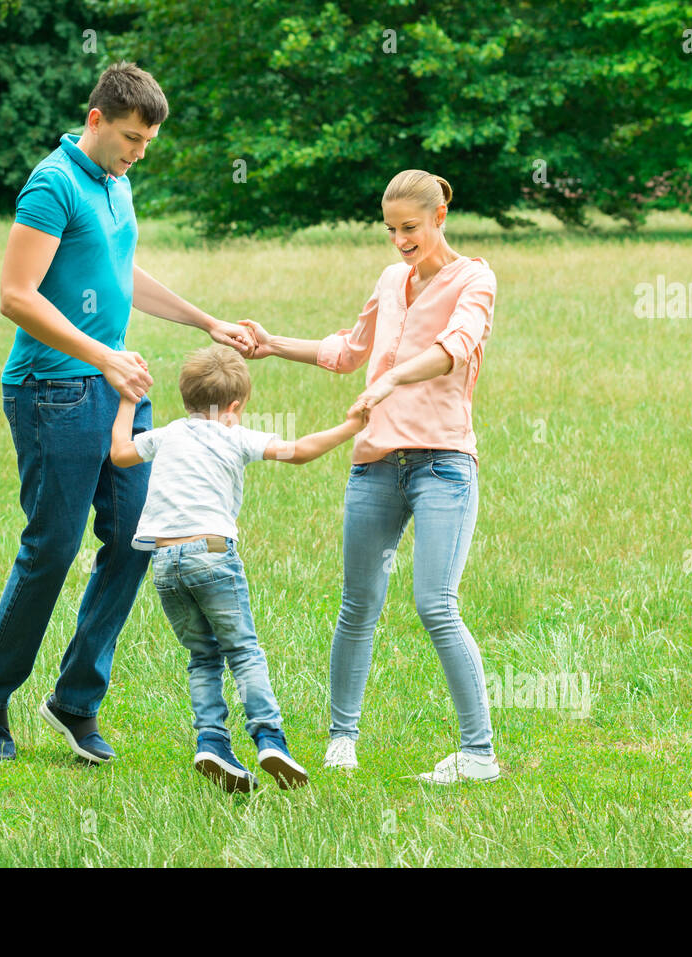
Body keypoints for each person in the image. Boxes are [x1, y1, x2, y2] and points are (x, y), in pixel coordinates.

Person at [0, 62, 255, 764]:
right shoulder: (52, 184)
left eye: (148, 142)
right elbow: (16, 294)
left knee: (135, 538)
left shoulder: (116, 183)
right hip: (51, 392)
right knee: (53, 547)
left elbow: (121, 270)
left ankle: (75, 700)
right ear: (95, 120)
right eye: (129, 137)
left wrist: (205, 320)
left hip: (116, 386)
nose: (138, 152)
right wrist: (102, 355)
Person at [239, 170, 501, 784]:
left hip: (443, 463)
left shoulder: (475, 278)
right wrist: (273, 343)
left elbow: (457, 347)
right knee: (358, 604)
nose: (400, 240)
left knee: (436, 604)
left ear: (441, 215)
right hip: (376, 463)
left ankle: (479, 754)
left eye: (410, 228)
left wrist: (392, 378)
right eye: (391, 230)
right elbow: (348, 351)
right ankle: (341, 740)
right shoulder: (390, 280)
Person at [109, 345, 366, 792]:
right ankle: (270, 738)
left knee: (203, 656)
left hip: (164, 564)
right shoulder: (234, 436)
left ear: (187, 399)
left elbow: (120, 454)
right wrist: (352, 426)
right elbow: (300, 451)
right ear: (235, 408)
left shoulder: (168, 434)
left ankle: (211, 742)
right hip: (212, 553)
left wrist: (128, 399)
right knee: (244, 652)